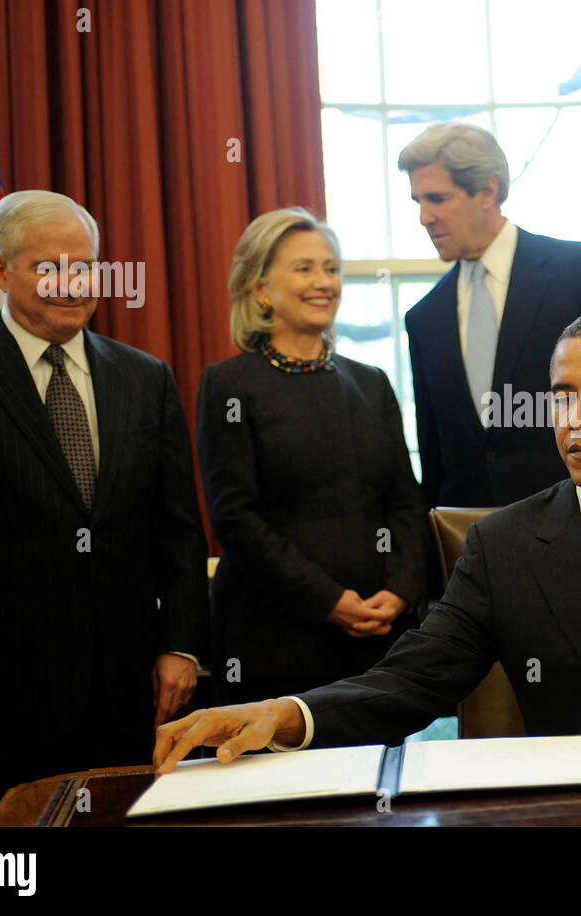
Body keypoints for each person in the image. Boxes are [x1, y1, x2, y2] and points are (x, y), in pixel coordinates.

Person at [154, 311, 581, 775]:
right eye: (563, 396)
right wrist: (286, 713)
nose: (578, 421)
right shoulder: (505, 544)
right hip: (575, 810)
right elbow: (407, 683)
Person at [0, 190, 209, 825]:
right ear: (1, 270)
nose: (72, 283)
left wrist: (181, 646)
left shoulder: (146, 378)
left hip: (129, 697)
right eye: (49, 266)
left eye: (85, 265)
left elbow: (177, 531)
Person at [197, 208, 426, 706]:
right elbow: (235, 518)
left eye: (331, 268)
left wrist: (402, 589)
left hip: (379, 646)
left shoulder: (371, 382)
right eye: (304, 269)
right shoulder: (230, 384)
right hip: (273, 649)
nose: (325, 282)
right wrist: (329, 602)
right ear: (260, 289)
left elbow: (405, 501)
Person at [400, 122, 581, 511]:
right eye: (418, 201)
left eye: (437, 199)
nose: (425, 217)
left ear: (487, 191)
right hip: (472, 542)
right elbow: (434, 454)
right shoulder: (424, 317)